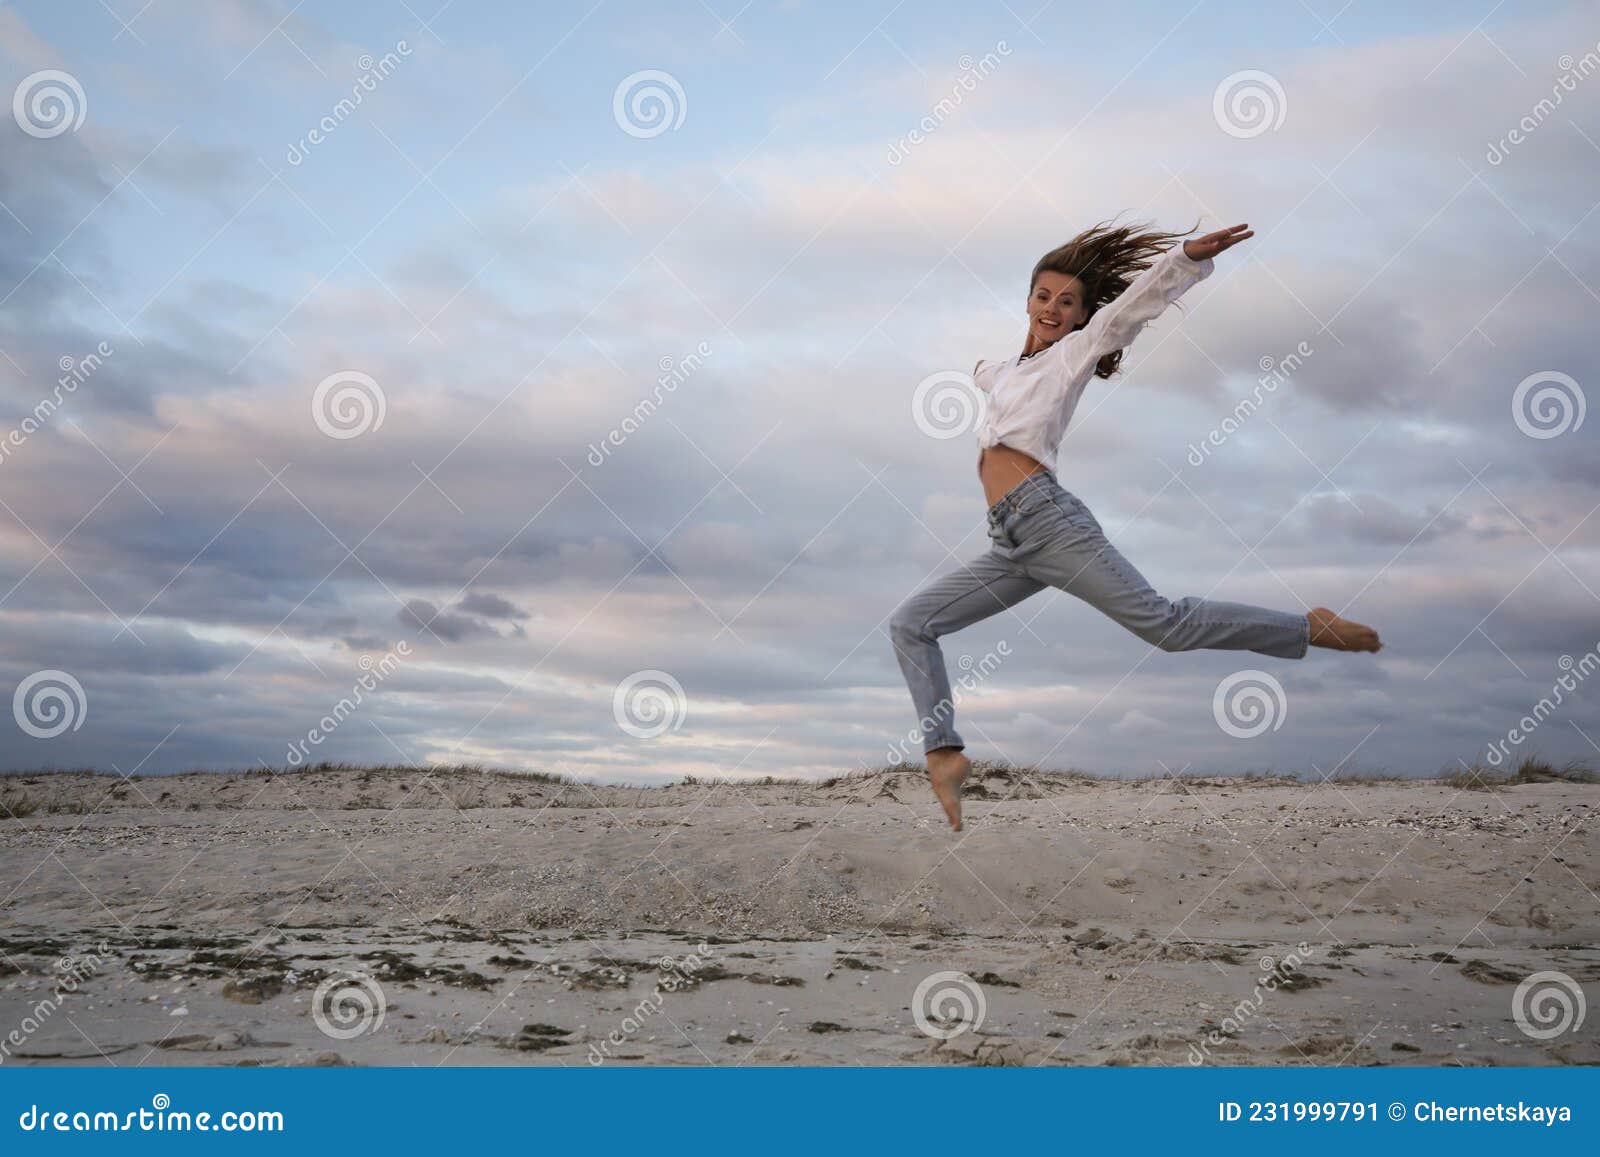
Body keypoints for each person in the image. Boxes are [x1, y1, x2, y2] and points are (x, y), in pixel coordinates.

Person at [889, 220, 1382, 831]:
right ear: (1027, 301)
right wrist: (978, 371)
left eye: (1067, 302)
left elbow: (1126, 315)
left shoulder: (1072, 354)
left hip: (1050, 524)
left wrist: (1183, 260)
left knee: (1164, 626)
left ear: (1079, 317)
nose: (1052, 308)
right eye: (1043, 296)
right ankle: (943, 753)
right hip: (1009, 543)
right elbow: (992, 373)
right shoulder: (1006, 370)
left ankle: (1306, 627)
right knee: (911, 624)